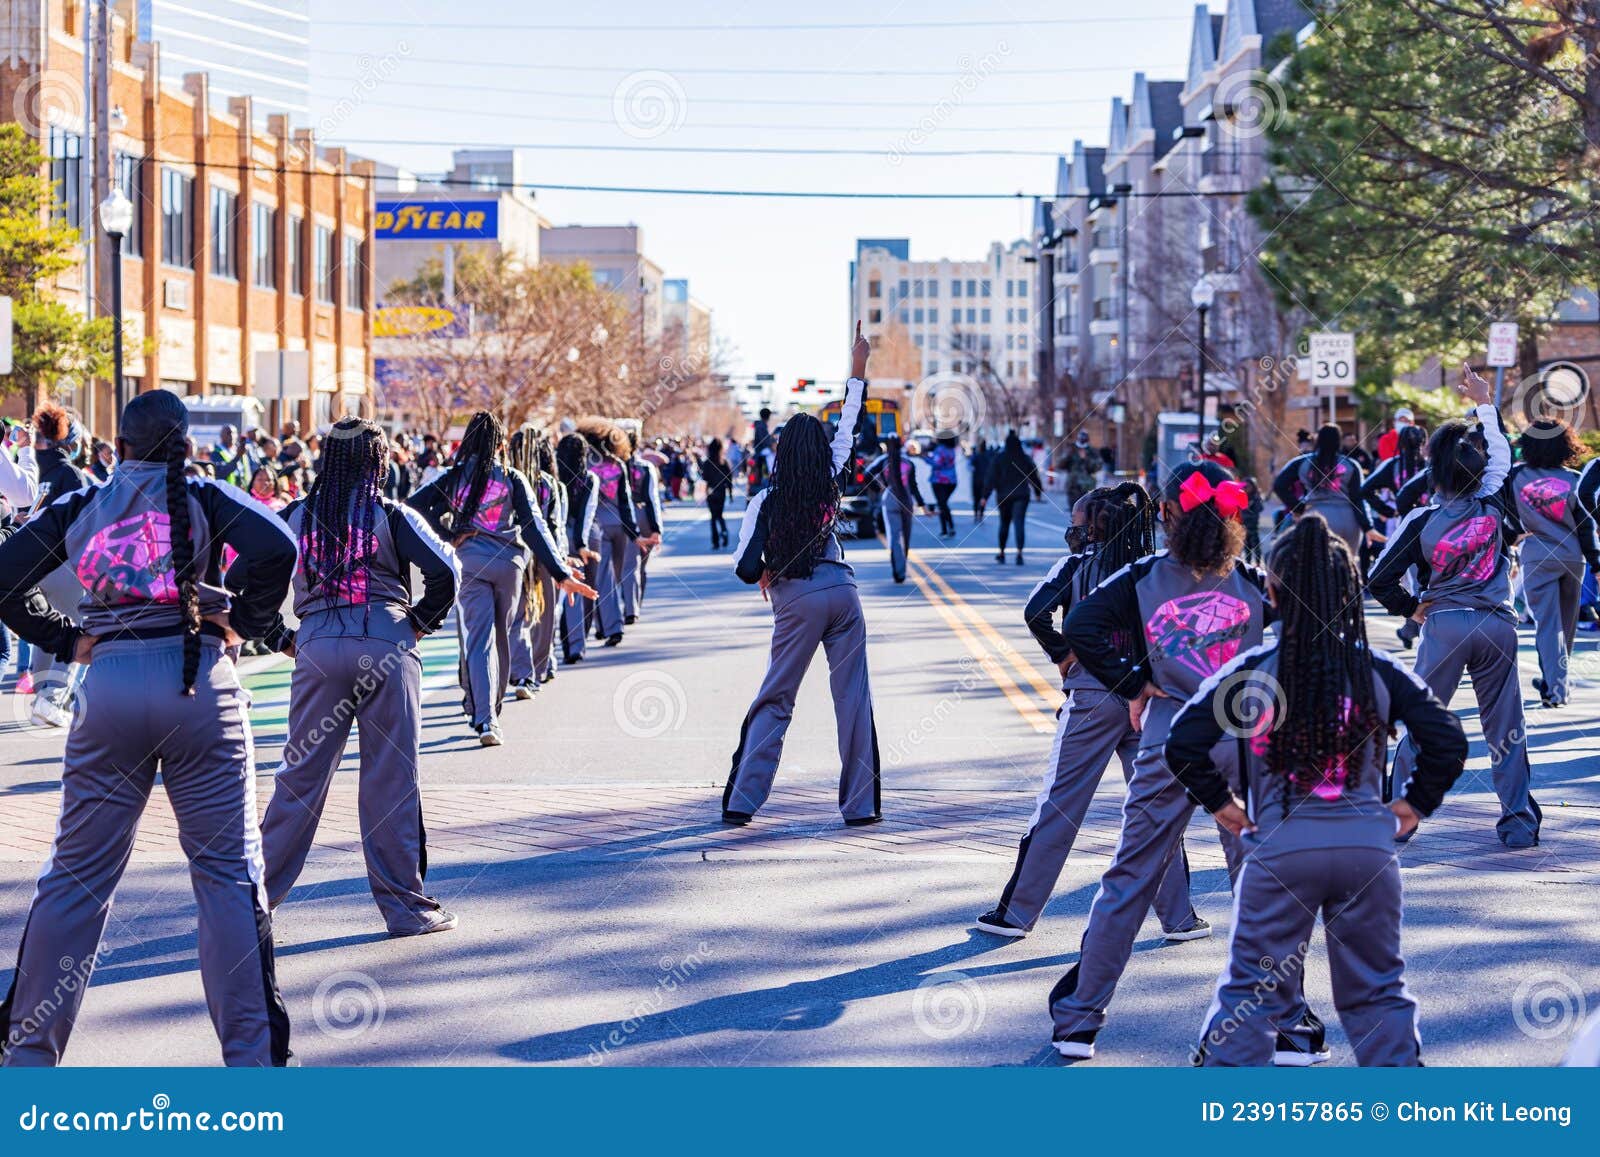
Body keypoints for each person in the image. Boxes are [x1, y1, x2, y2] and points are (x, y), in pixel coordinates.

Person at [0, 390, 298, 1066]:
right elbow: (278, 545)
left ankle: (26, 1062)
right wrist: (242, 625)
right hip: (198, 684)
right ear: (185, 444)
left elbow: (4, 576)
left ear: (122, 446)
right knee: (226, 875)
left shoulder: (84, 504)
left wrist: (67, 636)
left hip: (109, 687)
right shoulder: (206, 495)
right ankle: (254, 1065)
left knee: (75, 877)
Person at [1047, 461, 1328, 1064]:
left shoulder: (1143, 575)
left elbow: (1079, 624)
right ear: (1233, 517)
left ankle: (1079, 1022)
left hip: (1172, 738)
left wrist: (1135, 683)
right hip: (1246, 739)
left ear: (1168, 516)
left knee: (1131, 877)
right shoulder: (1254, 582)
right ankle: (1291, 1027)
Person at [1168, 514, 1468, 1067]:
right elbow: (1448, 740)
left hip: (1280, 850)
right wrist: (1412, 805)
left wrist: (1226, 809)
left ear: (1275, 593)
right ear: (1348, 591)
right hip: (1368, 853)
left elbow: (1181, 743)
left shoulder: (1248, 671)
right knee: (1378, 993)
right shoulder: (1379, 670)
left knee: (1250, 998)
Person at [976, 482, 1204, 942]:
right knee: (1157, 807)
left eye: (1075, 526)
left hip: (1092, 698)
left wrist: (1064, 655)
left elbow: (1035, 611)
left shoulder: (1076, 565)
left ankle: (1016, 916)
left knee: (1059, 804)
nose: (1071, 534)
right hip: (1150, 699)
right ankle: (1180, 919)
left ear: (1093, 528)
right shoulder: (1156, 570)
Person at [261, 418, 461, 936]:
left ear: (327, 459)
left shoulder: (295, 518)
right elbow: (447, 573)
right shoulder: (392, 514)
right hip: (387, 644)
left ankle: (252, 901)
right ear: (379, 461)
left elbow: (245, 577)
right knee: (390, 779)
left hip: (317, 647)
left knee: (299, 779)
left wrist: (280, 637)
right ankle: (406, 909)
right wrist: (416, 624)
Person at [1369, 365, 1540, 848]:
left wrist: (1413, 610)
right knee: (1507, 729)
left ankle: (1400, 817)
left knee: (1421, 722)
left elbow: (1378, 578)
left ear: (1433, 471)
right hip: (1498, 627)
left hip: (1442, 627)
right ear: (1480, 472)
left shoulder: (1422, 519)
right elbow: (1501, 455)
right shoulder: (1495, 505)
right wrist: (1487, 404)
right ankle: (1517, 824)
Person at [723, 323, 881, 827]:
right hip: (844, 593)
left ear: (780, 454)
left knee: (777, 697)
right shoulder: (831, 480)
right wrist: (858, 367)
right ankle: (861, 807)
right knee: (853, 700)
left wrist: (771, 568)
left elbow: (746, 568)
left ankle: (742, 802)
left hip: (797, 602)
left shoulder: (765, 500)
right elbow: (848, 424)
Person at [408, 411, 596, 745]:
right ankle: (493, 709)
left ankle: (485, 719)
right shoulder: (513, 478)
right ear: (500, 443)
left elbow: (413, 508)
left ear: (467, 440)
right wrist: (561, 573)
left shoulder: (453, 477)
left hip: (468, 565)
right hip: (510, 564)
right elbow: (534, 528)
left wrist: (450, 534)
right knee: (504, 636)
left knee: (478, 640)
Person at [1508, 419, 1599, 708]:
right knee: (1567, 625)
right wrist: (1597, 565)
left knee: (1548, 624)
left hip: (1537, 555)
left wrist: (1513, 535)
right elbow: (1586, 527)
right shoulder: (1575, 479)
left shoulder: (1515, 475)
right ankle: (1552, 680)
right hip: (1574, 557)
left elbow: (1502, 510)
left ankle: (1556, 688)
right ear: (1566, 445)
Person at [21, 405, 90, 729]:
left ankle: (40, 695)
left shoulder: (37, 470)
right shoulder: (70, 474)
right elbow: (83, 522)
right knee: (80, 628)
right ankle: (53, 697)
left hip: (29, 564)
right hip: (61, 561)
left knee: (45, 627)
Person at [1361, 423, 1430, 649]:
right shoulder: (1431, 465)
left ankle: (1412, 629)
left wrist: (1389, 510)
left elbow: (1365, 489)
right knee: (1425, 581)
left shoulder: (1394, 466)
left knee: (1414, 582)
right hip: (1435, 526)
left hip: (1405, 528)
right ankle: (1417, 631)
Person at [1272, 424, 1380, 559]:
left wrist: (1298, 507)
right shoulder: (1351, 465)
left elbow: (1279, 485)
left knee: (1317, 567)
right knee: (1348, 568)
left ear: (1318, 440)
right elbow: (1357, 499)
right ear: (1338, 441)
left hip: (1315, 517)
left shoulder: (1303, 462)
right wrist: (1368, 527)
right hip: (1349, 519)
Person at [556, 433, 602, 665]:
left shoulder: (554, 477)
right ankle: (578, 643)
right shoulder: (589, 479)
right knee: (586, 589)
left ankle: (568, 643)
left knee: (564, 591)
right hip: (584, 538)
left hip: (560, 537)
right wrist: (582, 543)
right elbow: (587, 512)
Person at [865, 434, 927, 583]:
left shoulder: (883, 460)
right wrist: (921, 503)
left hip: (890, 498)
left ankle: (898, 572)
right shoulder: (909, 462)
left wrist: (880, 488)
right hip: (906, 500)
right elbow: (913, 486)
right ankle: (902, 566)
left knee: (894, 537)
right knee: (906, 536)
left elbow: (867, 474)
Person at [623, 433, 665, 625]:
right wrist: (657, 528)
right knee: (641, 565)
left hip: (623, 517)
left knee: (628, 565)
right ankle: (634, 605)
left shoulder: (615, 468)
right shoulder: (645, 467)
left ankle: (629, 605)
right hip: (644, 516)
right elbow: (652, 499)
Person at [988, 431, 1043, 565]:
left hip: (1003, 495)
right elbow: (1033, 475)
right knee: (1019, 523)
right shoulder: (1024, 458)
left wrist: (985, 495)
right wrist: (1037, 491)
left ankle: (1001, 553)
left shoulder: (999, 458)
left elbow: (991, 478)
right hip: (1021, 495)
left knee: (1004, 523)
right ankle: (1019, 554)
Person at [702, 438, 734, 549]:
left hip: (710, 492)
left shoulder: (707, 462)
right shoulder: (724, 462)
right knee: (720, 515)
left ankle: (715, 542)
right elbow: (729, 480)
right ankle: (724, 532)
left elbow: (704, 478)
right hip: (721, 492)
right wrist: (730, 494)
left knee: (713, 517)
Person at [927, 434, 959, 537]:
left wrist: (924, 457)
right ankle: (947, 528)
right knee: (943, 504)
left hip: (939, 480)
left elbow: (936, 463)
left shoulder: (940, 449)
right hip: (952, 481)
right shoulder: (952, 450)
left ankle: (948, 528)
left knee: (942, 504)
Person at [969, 439, 992, 524]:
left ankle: (976, 515)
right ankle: (981, 515)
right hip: (985, 480)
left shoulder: (976, 456)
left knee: (976, 498)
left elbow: (970, 465)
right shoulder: (988, 456)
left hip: (976, 480)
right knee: (983, 498)